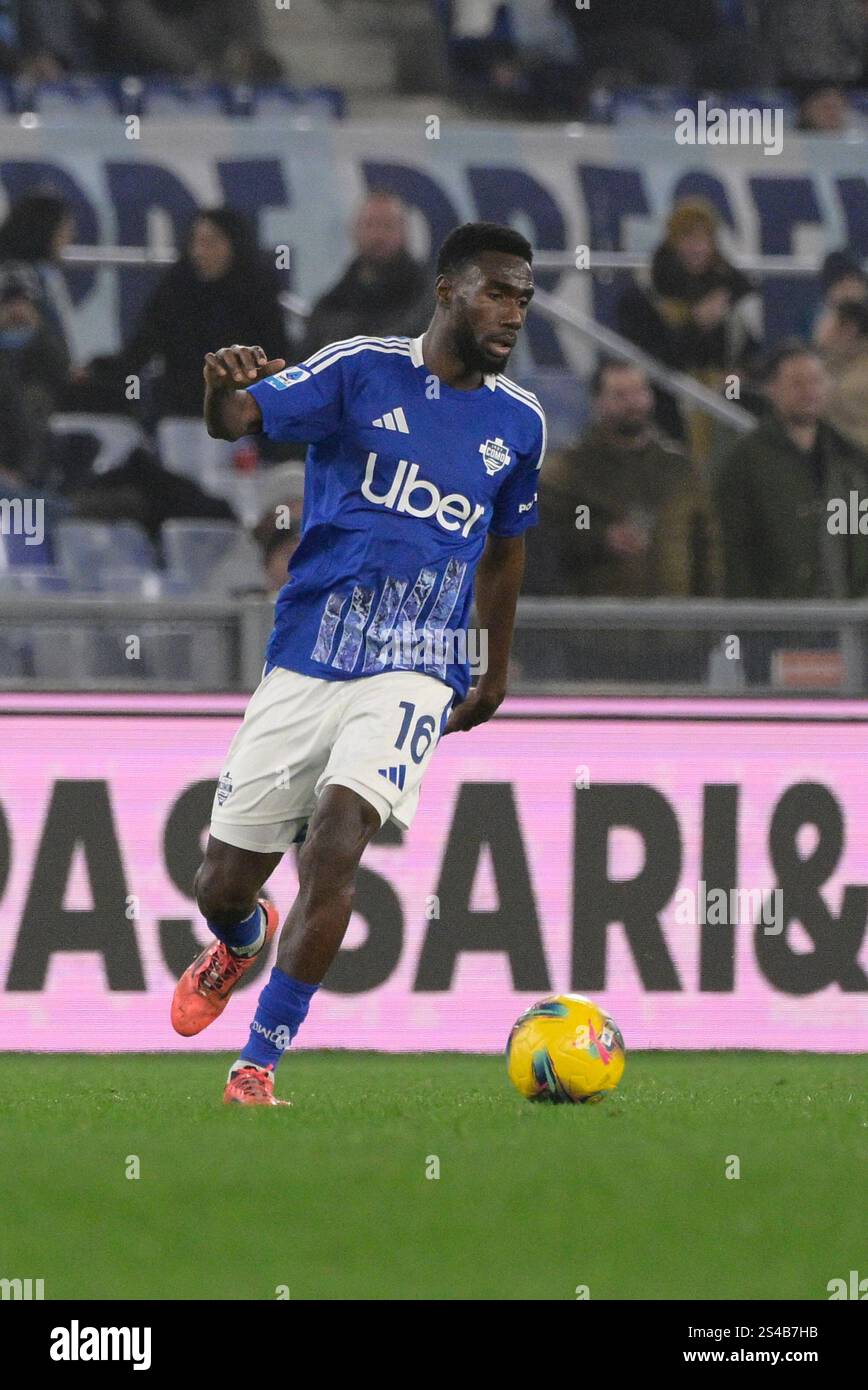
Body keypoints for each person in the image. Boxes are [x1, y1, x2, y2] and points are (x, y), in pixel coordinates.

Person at [167, 222, 545, 1106]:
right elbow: (239, 420)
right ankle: (240, 937)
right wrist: (216, 389)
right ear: (449, 289)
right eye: (497, 291)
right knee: (221, 878)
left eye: (524, 298)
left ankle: (257, 1066)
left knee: (336, 849)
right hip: (309, 653)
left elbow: (506, 549)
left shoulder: (518, 423)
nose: (513, 312)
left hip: (419, 662)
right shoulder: (360, 369)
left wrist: (490, 665)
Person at [526, 360, 719, 598]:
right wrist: (600, 538)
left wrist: (710, 613)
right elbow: (543, 543)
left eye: (639, 392)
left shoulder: (680, 469)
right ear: (598, 402)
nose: (633, 403)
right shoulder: (567, 471)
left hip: (676, 621)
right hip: (599, 621)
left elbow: (706, 545)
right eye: (620, 395)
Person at [716, 343, 868, 598]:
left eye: (816, 381)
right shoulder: (743, 462)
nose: (809, 391)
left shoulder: (851, 458)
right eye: (797, 383)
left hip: (847, 617)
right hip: (779, 618)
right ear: (771, 389)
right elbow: (733, 549)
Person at [106, 207, 288, 419]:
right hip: (181, 408)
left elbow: (274, 351)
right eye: (196, 242)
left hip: (242, 411)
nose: (200, 252)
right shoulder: (176, 287)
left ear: (234, 245)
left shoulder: (257, 290)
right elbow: (145, 343)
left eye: (210, 243)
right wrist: (102, 370)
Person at [617, 198, 762, 459]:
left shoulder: (732, 290)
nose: (696, 248)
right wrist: (696, 324)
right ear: (672, 241)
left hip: (725, 415)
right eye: (687, 238)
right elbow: (649, 363)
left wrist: (742, 373)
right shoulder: (644, 293)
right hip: (665, 416)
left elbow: (752, 352)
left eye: (704, 239)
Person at [301, 191, 431, 359]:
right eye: (370, 224)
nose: (378, 235)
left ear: (405, 232)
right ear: (354, 231)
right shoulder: (333, 304)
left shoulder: (427, 297)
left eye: (388, 225)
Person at [815, 298, 868, 454]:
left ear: (848, 329)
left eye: (825, 319)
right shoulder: (833, 364)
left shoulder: (858, 380)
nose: (819, 326)